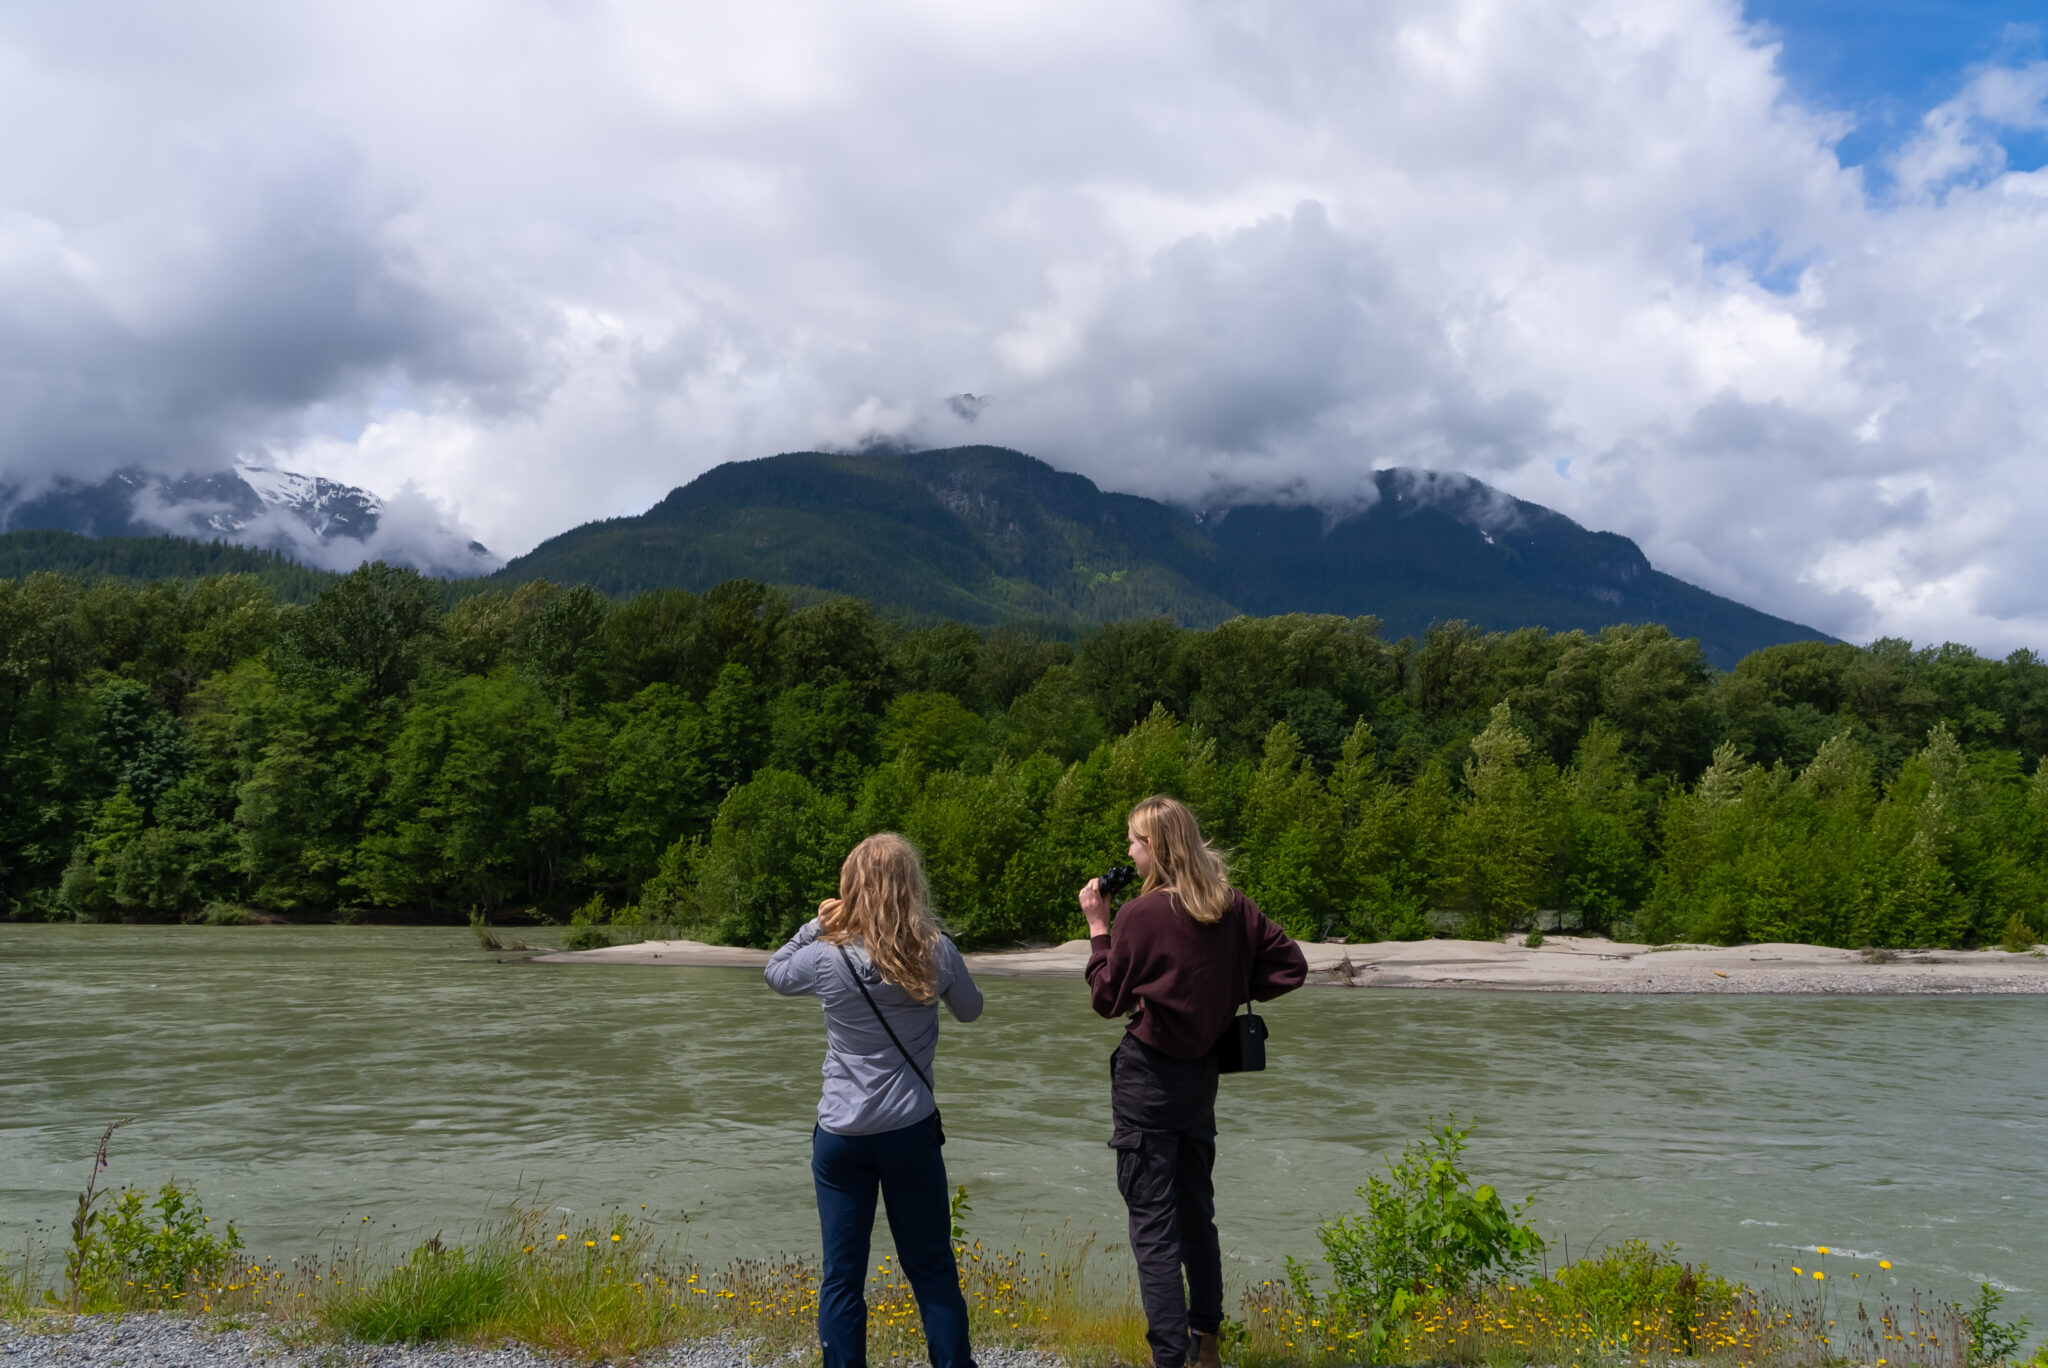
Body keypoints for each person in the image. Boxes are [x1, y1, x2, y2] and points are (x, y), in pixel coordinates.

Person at [1079, 795, 1308, 1368]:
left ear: (1156, 846)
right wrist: (1225, 988)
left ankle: (1168, 1359)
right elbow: (1291, 967)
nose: (1129, 853)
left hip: (1147, 1075)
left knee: (1154, 1227)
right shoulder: (1231, 907)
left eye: (1134, 841)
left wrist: (1098, 928)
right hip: (1201, 1077)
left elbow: (1107, 999)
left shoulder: (1139, 914)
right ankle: (1206, 1345)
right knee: (1196, 1215)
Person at [767, 832, 985, 1368]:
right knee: (932, 1270)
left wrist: (818, 924)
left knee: (842, 1275)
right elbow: (972, 1010)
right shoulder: (934, 949)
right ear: (911, 886)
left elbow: (773, 972)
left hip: (841, 1135)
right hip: (909, 1132)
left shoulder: (824, 956)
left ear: (851, 888)